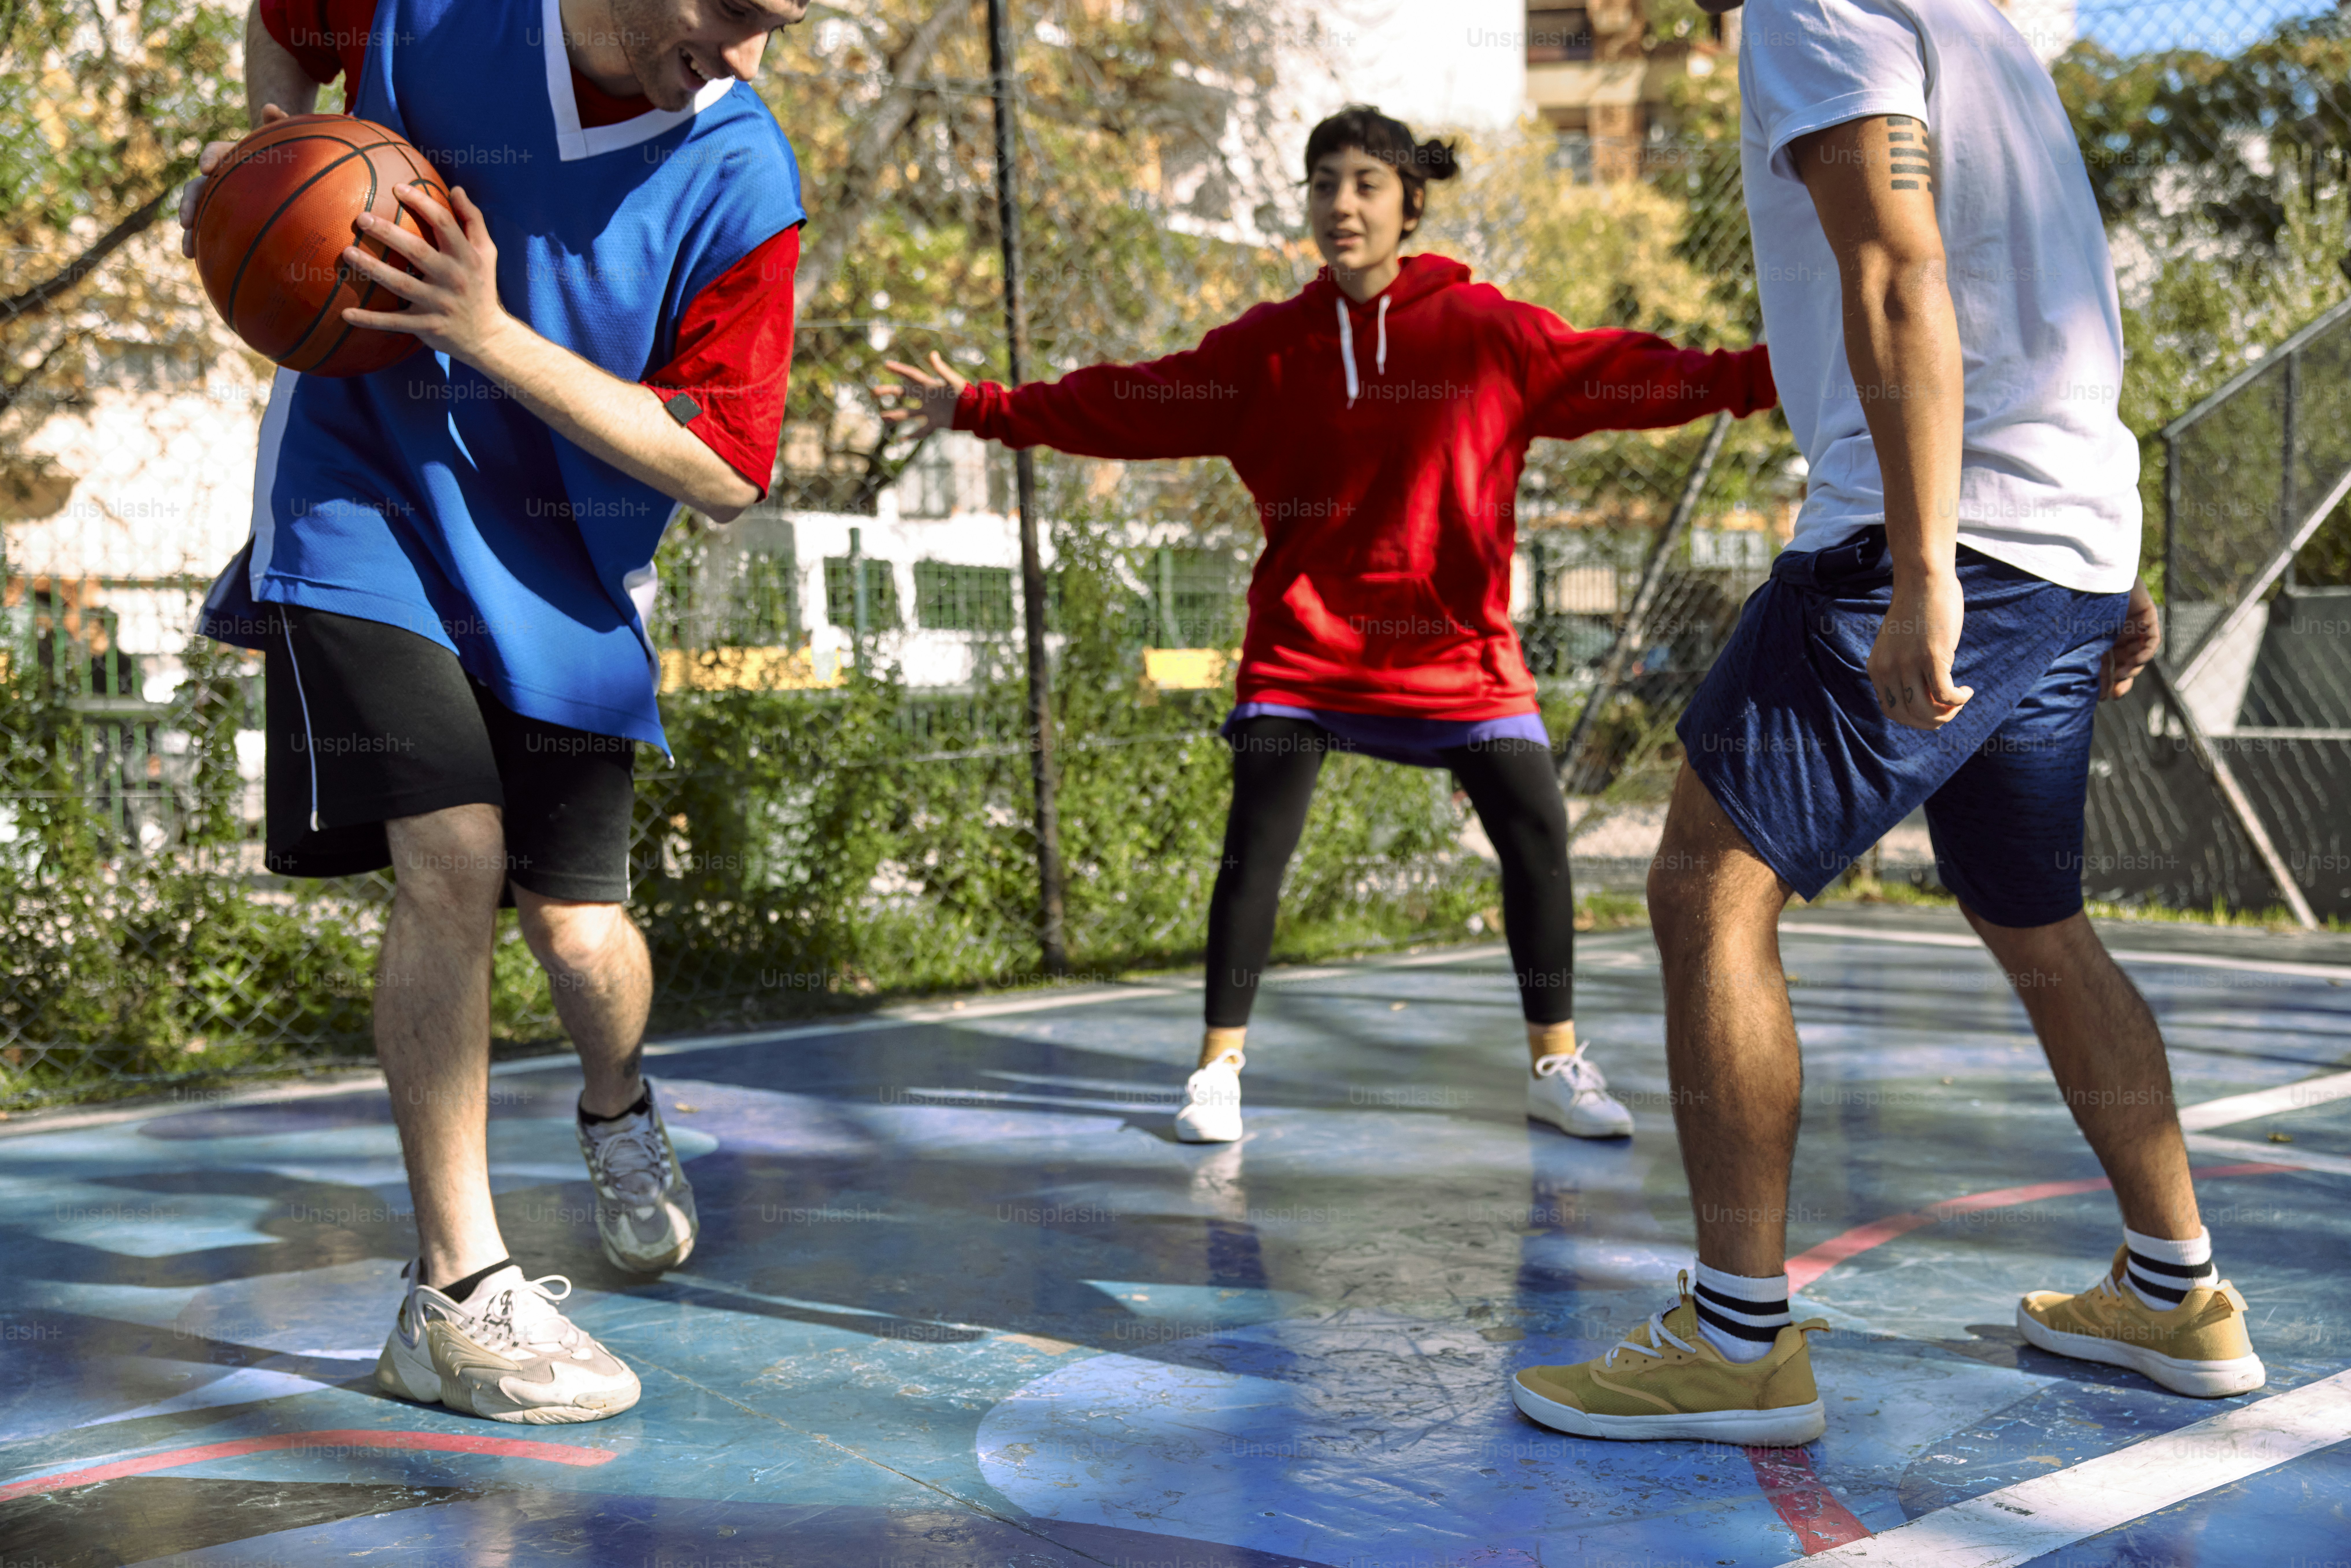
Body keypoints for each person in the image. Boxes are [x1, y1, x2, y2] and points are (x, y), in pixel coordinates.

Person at [1512, 0, 2264, 1448]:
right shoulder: (1978, 21)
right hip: (2056, 537)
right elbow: (2062, 295)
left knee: (1704, 890)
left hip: (1937, 533)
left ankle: (1735, 1338)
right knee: (2032, 913)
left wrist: (1924, 573)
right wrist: (2100, 551)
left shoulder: (1819, 5)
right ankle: (2179, 1289)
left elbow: (1901, 269)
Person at [878, 105, 1776, 1148]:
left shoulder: (1490, 333)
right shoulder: (1270, 349)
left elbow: (1638, 374)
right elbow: (1136, 400)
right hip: (1307, 649)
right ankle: (1218, 1069)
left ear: (1410, 204)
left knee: (1538, 833)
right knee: (1255, 846)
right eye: (1323, 184)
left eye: (1364, 184)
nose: (1341, 204)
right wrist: (983, 408)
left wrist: (1772, 374)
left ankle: (1554, 1062)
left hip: (1459, 654)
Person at [179, 0, 810, 1423]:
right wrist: (278, 167)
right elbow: (284, 26)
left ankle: (617, 1103)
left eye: (778, 25)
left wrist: (484, 329)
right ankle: (457, 1294)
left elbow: (725, 467)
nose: (741, 53)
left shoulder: (742, 173)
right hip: (359, 496)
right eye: (725, 11)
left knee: (580, 935)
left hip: (565, 563)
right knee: (451, 856)